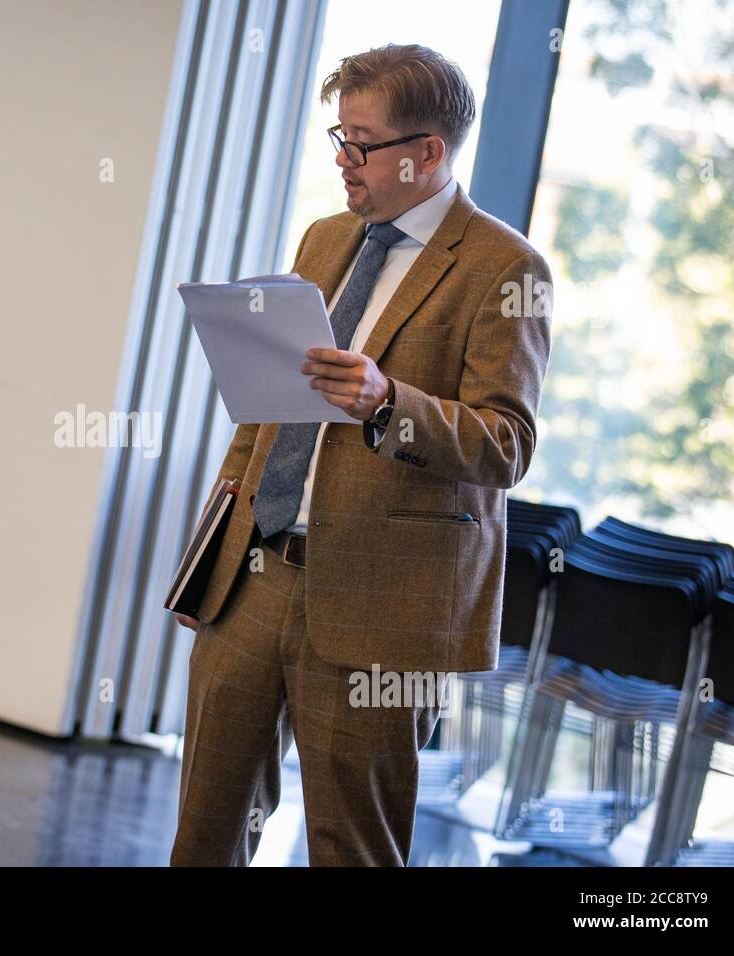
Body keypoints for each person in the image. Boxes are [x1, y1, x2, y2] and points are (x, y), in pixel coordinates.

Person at [170, 44, 553, 866]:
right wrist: (211, 553)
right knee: (203, 834)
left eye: (363, 143)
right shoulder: (325, 238)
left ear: (428, 152)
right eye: (339, 137)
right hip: (254, 577)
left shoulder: (506, 269)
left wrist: (388, 403)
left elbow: (507, 445)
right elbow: (265, 412)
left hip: (385, 603)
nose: (343, 159)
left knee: (353, 847)